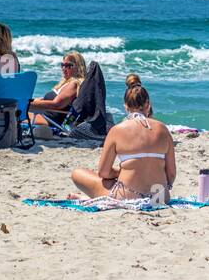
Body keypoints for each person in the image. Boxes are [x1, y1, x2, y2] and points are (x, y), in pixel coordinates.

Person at [69, 74, 175, 202]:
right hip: (160, 197)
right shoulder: (163, 129)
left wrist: (121, 172)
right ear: (148, 104)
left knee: (78, 173)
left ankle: (88, 197)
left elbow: (104, 172)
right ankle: (86, 198)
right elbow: (171, 175)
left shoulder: (117, 130)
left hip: (128, 195)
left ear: (125, 106)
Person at [28, 50, 86, 127]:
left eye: (69, 65)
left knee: (13, 114)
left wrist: (26, 104)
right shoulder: (66, 83)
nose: (64, 68)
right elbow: (48, 100)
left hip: (50, 119)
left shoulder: (74, 84)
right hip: (45, 115)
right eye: (62, 65)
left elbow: (56, 105)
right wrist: (30, 101)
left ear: (79, 66)